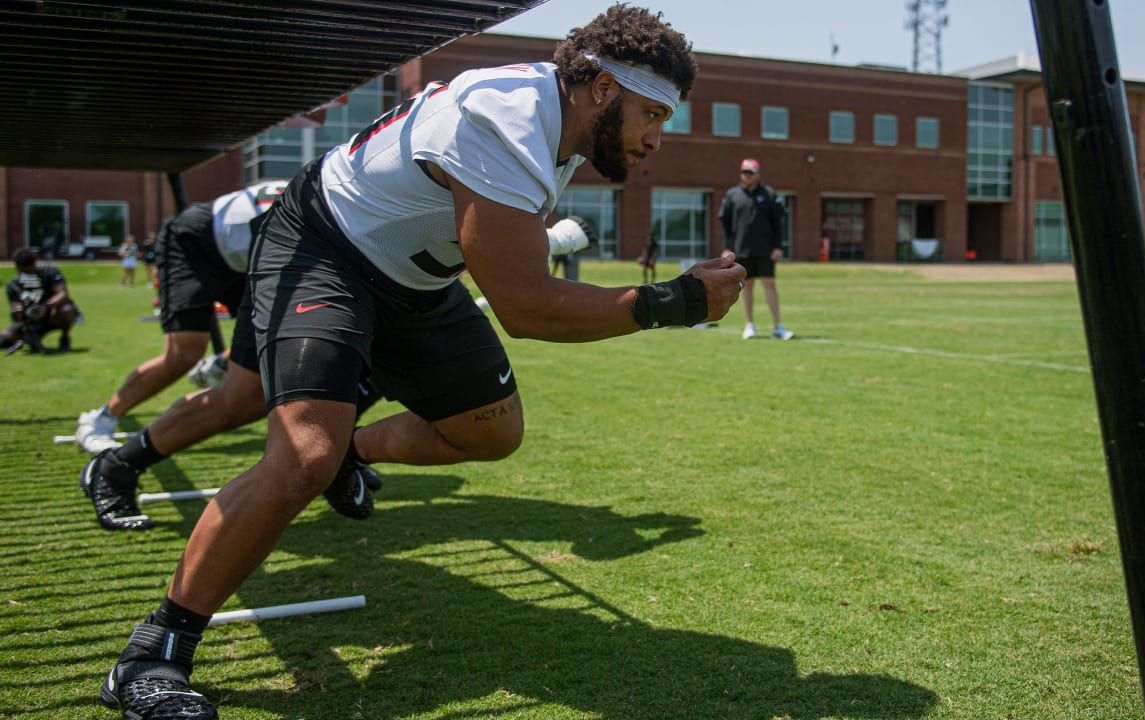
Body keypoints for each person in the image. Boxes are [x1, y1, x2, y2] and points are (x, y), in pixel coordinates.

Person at [94, 7, 743, 719]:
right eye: (652, 114)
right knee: (301, 455)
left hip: (415, 279)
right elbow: (525, 306)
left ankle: (353, 450)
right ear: (600, 87)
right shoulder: (509, 117)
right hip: (327, 251)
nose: (655, 138)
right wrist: (676, 301)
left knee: (490, 431)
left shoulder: (555, 117)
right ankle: (155, 651)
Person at [78, 281, 386, 531]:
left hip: (387, 274)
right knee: (241, 398)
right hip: (309, 262)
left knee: (396, 364)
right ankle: (116, 467)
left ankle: (343, 455)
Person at [74, 181, 288, 455]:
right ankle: (101, 418)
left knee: (281, 332)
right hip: (196, 240)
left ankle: (221, 362)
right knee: (184, 353)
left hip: (246, 254)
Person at [719, 158, 794, 340]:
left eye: (750, 173)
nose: (747, 176)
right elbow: (725, 224)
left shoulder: (769, 194)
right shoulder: (732, 195)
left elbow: (778, 223)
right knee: (748, 285)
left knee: (770, 284)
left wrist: (778, 246)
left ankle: (778, 326)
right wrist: (725, 247)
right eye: (744, 172)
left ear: (758, 174)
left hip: (765, 249)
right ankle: (749, 325)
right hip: (742, 249)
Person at [2, 249, 80, 354]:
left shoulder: (50, 272)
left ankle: (65, 338)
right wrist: (19, 313)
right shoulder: (13, 285)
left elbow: (63, 294)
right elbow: (16, 316)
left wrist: (45, 306)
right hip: (30, 320)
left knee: (67, 310)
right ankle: (31, 338)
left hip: (52, 315)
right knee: (3, 340)